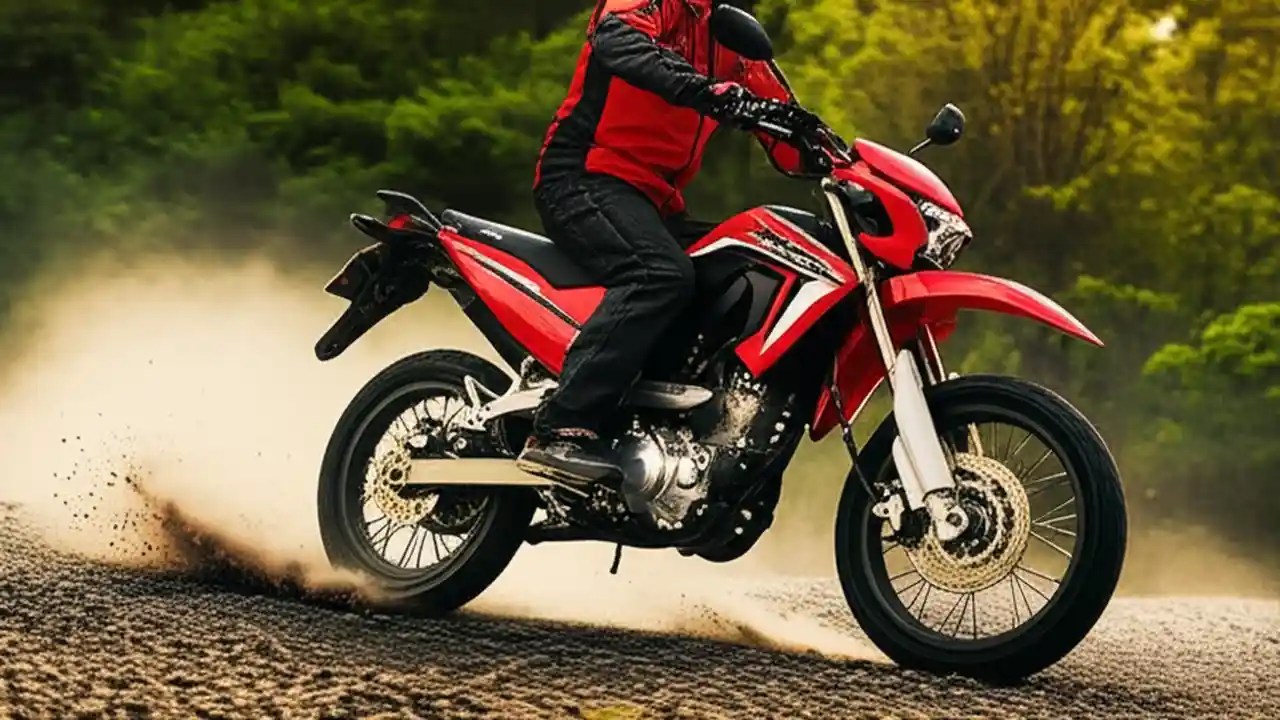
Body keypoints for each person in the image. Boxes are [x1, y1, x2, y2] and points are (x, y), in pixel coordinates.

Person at [516, 0, 811, 484]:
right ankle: (560, 428)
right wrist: (709, 92)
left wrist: (831, 152)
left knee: (741, 266)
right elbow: (616, 39)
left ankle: (660, 425)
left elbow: (787, 133)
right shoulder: (659, 4)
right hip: (584, 176)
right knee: (660, 274)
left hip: (656, 203)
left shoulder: (735, 43)